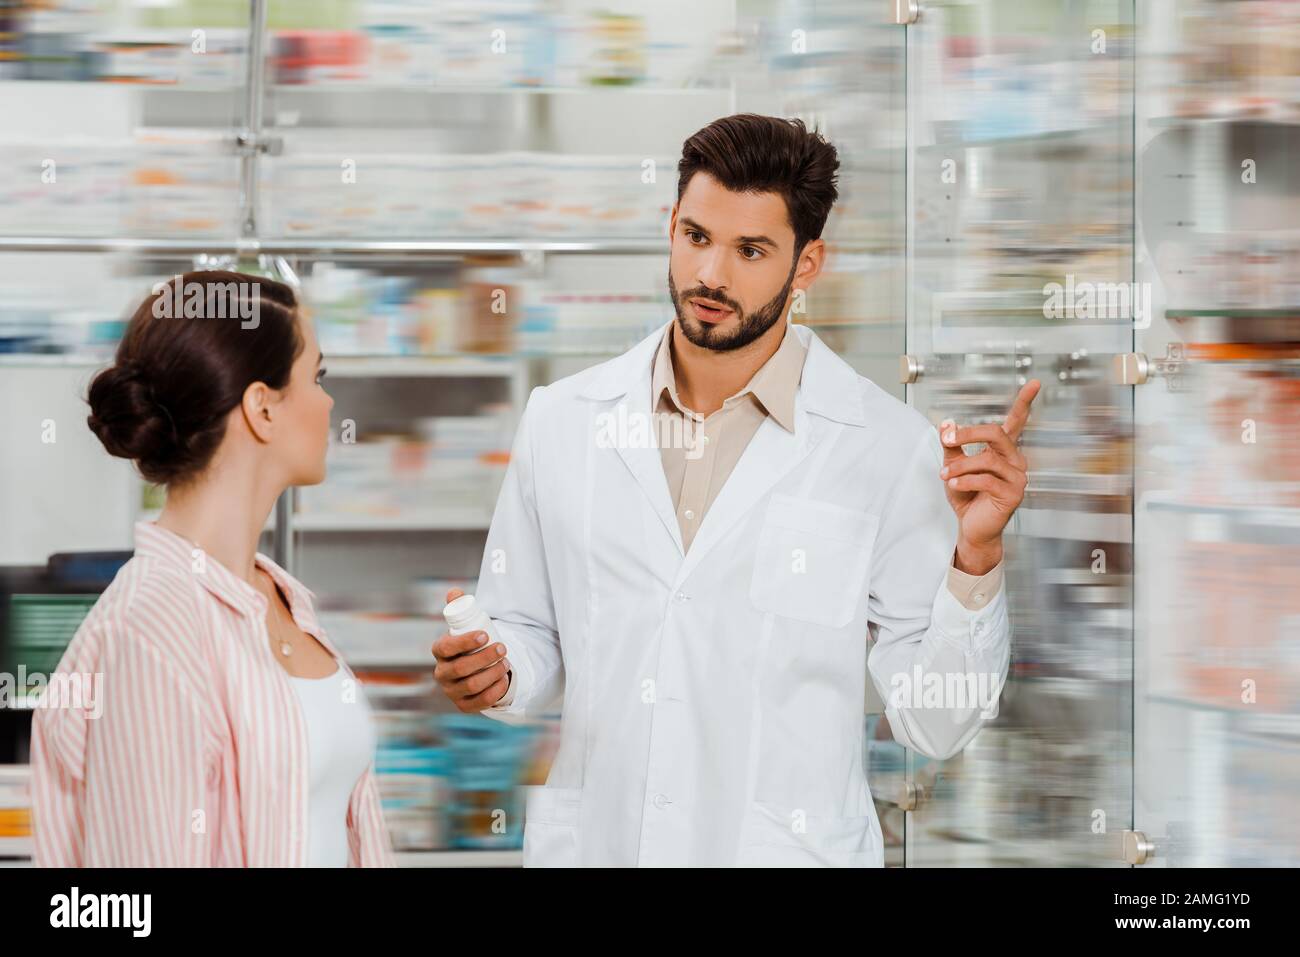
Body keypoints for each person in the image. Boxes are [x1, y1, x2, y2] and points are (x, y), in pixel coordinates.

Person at [433, 114, 1040, 867]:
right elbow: (533, 634)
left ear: (807, 263)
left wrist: (976, 558)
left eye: (751, 250)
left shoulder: (883, 446)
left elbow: (936, 722)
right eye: (696, 237)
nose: (711, 275)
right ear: (672, 224)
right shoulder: (564, 420)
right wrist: (498, 671)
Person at [30, 270, 394, 867]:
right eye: (317, 377)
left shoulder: (280, 597)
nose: (330, 403)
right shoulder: (152, 628)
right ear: (262, 408)